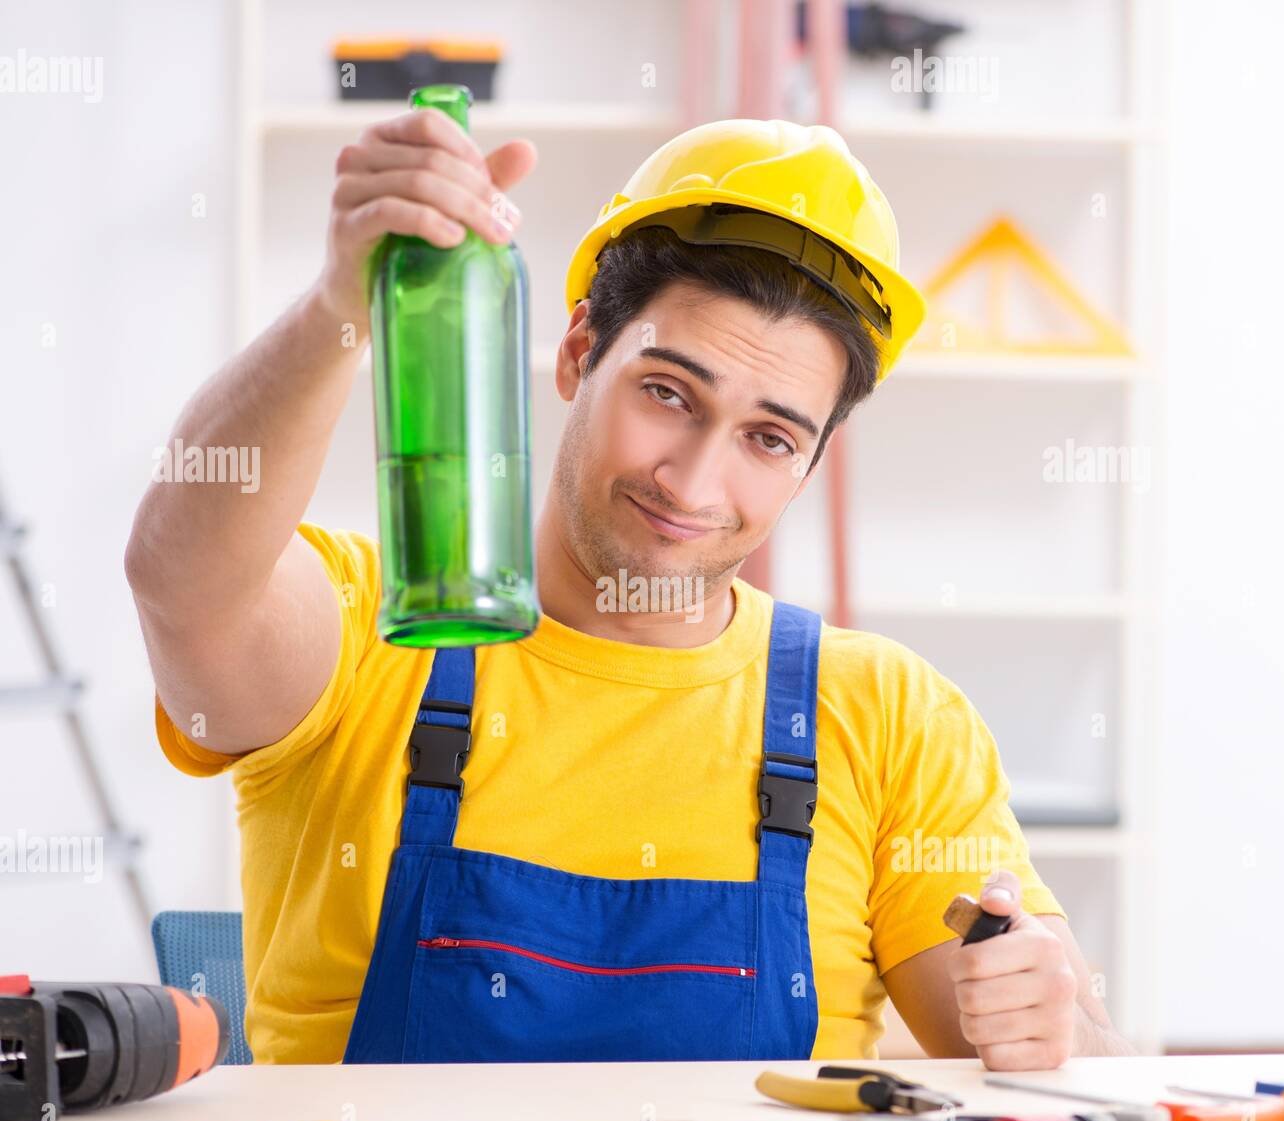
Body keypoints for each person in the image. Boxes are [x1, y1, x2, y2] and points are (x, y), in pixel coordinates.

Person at [126, 106, 1133, 1067]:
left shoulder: (886, 713)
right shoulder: (376, 624)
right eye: (666, 393)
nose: (692, 481)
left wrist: (1052, 1018)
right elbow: (181, 581)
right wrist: (340, 305)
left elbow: (1056, 1046)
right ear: (576, 354)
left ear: (811, 462)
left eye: (768, 437)